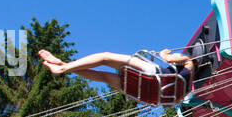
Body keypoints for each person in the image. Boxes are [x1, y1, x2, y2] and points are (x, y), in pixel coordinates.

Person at [38, 48, 196, 95]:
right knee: (104, 77)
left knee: (104, 57)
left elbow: (174, 59)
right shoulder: (186, 89)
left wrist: (165, 55)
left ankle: (63, 68)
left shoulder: (189, 64)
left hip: (154, 75)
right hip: (147, 93)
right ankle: (63, 65)